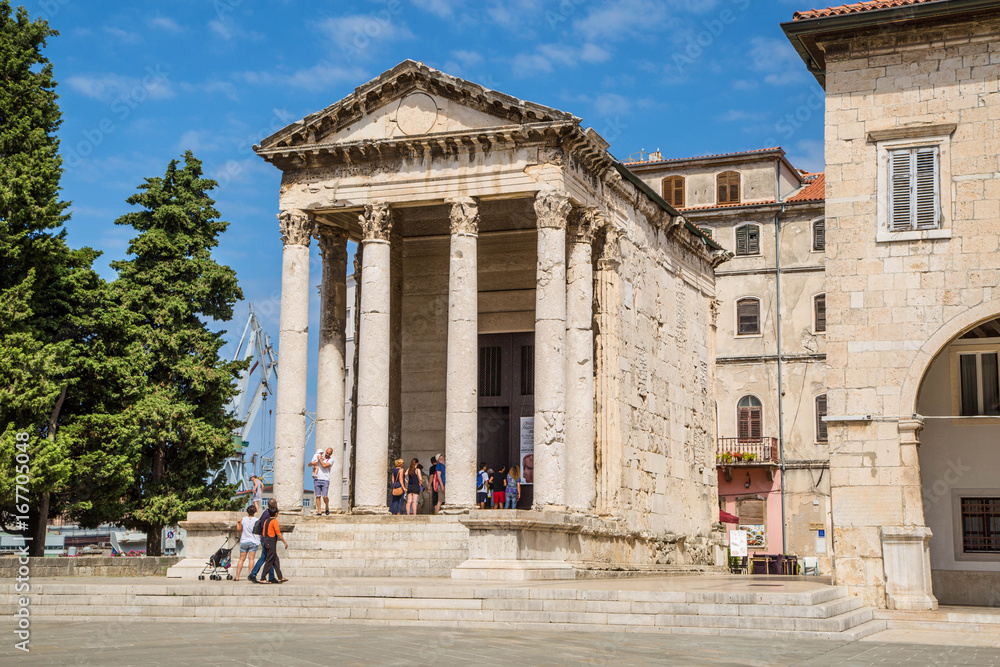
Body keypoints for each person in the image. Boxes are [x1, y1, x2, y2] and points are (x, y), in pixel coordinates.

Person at [247, 499, 278, 584]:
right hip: (267, 539)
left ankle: (271, 577)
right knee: (265, 557)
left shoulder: (265, 513)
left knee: (269, 558)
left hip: (264, 538)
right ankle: (253, 574)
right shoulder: (269, 515)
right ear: (275, 505)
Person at [259, 505, 288, 584]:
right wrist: (284, 542)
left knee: (275, 560)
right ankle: (263, 577)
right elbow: (278, 533)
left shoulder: (266, 521)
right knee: (269, 561)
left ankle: (280, 577)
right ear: (275, 514)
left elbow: (264, 532)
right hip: (271, 542)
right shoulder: (274, 521)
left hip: (266, 541)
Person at [233, 506, 259, 581]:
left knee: (241, 559)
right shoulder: (256, 520)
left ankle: (237, 576)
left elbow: (239, 530)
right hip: (253, 541)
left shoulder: (243, 519)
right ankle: (250, 575)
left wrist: (238, 523)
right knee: (251, 559)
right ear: (255, 512)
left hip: (244, 540)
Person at [310, 447, 333, 515]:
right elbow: (312, 463)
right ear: (325, 451)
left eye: (329, 453)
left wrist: (319, 458)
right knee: (317, 496)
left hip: (325, 479)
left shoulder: (331, 460)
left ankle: (327, 506)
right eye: (327, 452)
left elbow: (324, 465)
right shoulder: (319, 457)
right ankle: (319, 511)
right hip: (317, 479)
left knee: (324, 496)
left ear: (331, 454)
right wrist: (311, 463)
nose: (327, 454)